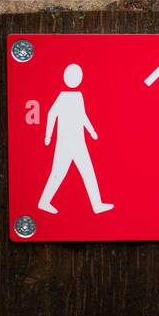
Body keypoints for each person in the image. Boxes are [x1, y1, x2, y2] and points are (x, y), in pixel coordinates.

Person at [38, 63, 114, 214]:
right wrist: (48, 135)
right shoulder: (63, 96)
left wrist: (91, 131)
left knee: (88, 171)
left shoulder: (79, 96)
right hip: (65, 142)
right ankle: (44, 201)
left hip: (79, 141)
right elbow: (51, 114)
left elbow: (82, 116)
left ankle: (97, 204)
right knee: (58, 173)